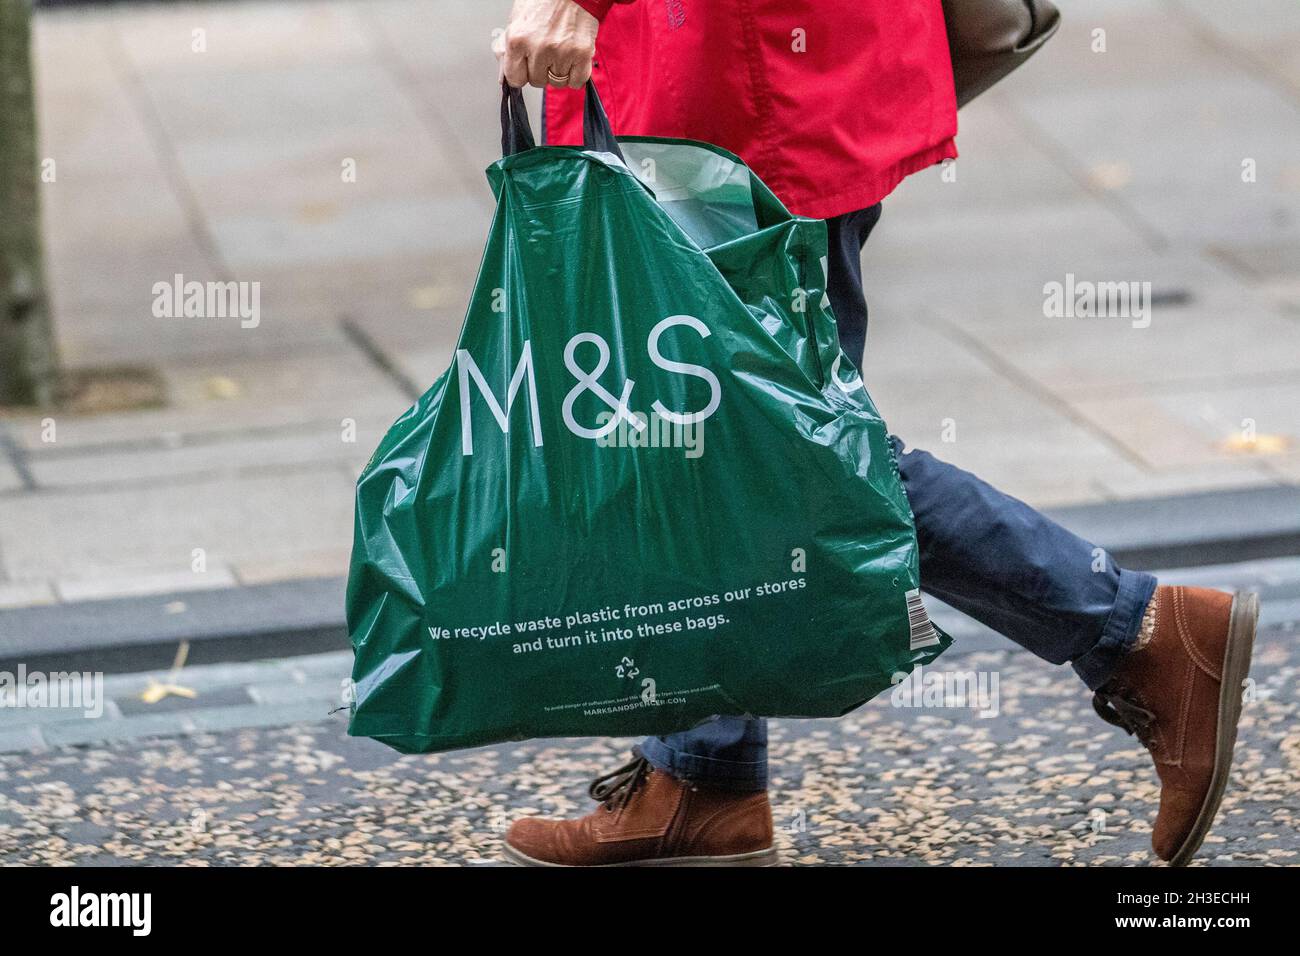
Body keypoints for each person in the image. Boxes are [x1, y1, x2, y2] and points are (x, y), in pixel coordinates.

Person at [492, 0, 1258, 867]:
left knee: (774, 453)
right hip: (743, 69)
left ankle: (1138, 632)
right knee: (716, 449)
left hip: (749, 75)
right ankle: (704, 777)